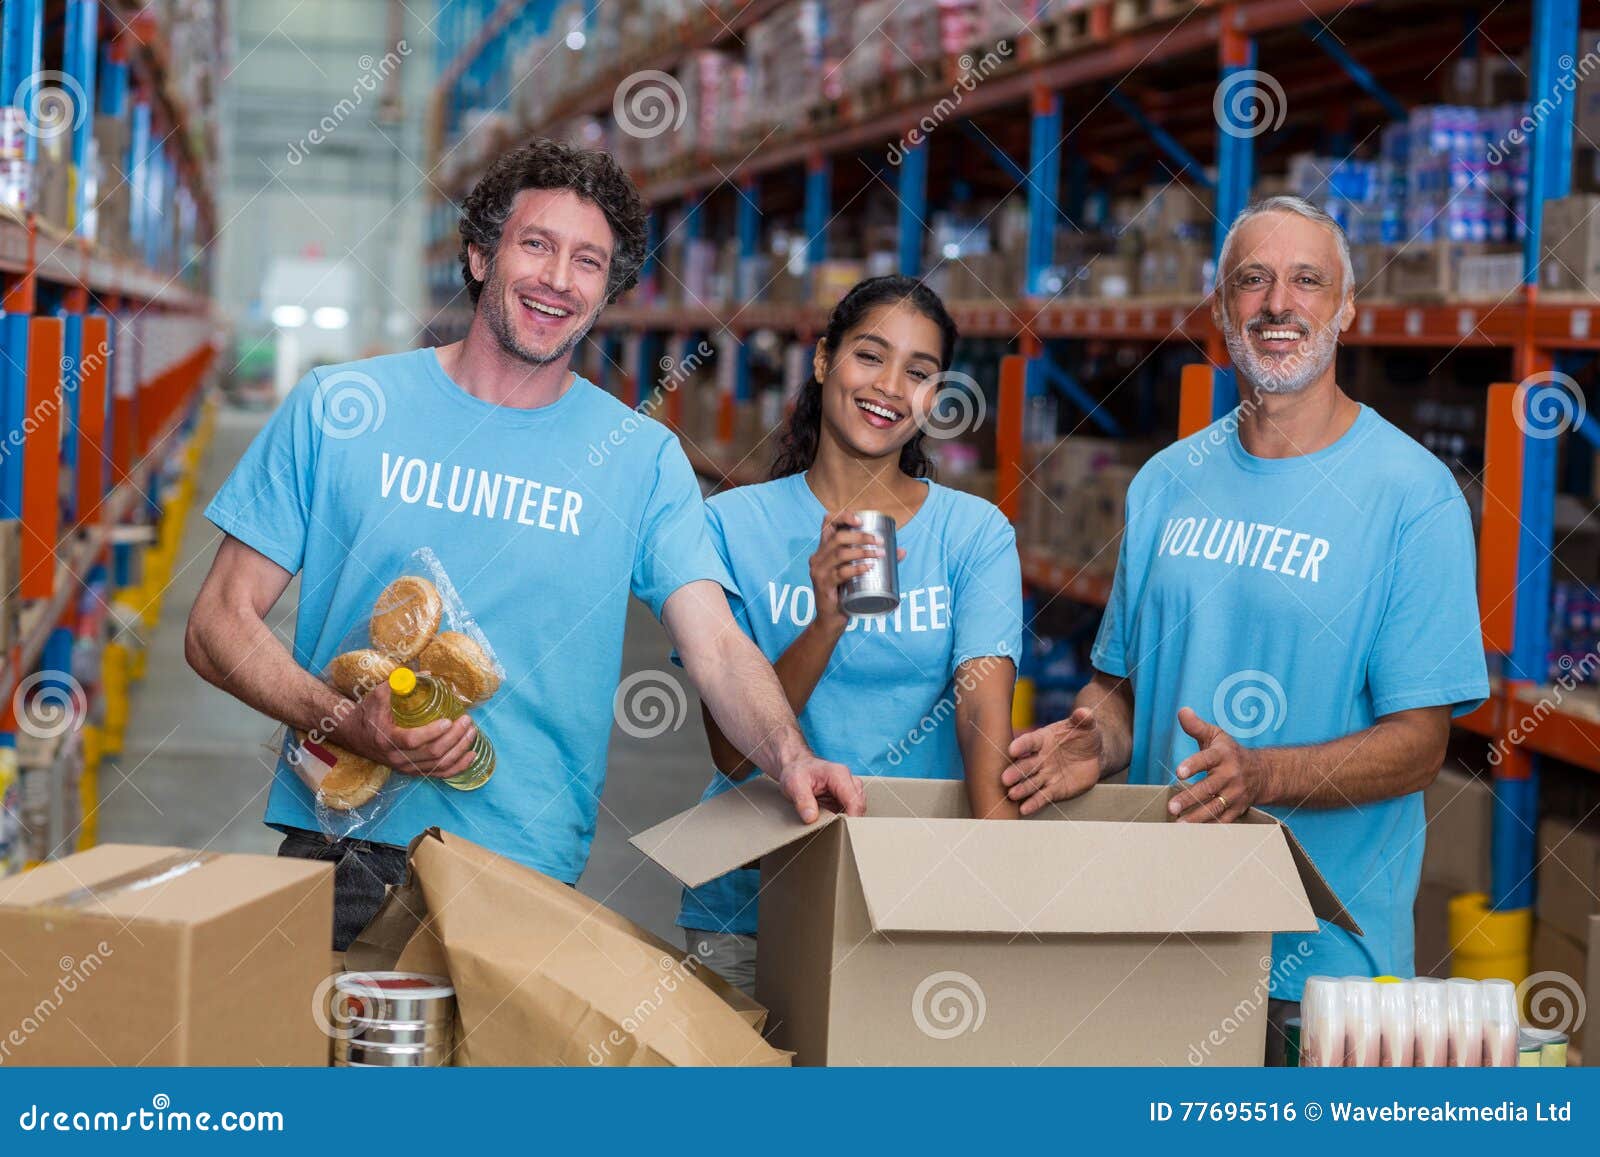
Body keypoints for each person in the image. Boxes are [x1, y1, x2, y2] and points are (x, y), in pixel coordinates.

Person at [185, 139, 862, 950]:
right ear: (479, 254)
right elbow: (216, 624)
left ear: (607, 290)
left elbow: (716, 646)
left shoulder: (640, 459)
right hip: (344, 847)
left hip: (526, 872)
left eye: (588, 261)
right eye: (535, 244)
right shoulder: (342, 407)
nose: (556, 279)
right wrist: (343, 719)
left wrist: (790, 754)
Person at [1000, 196, 1489, 1063]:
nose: (1277, 304)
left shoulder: (1412, 497)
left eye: (1307, 281)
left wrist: (1259, 775)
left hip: (1322, 967)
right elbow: (1122, 682)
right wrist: (1095, 737)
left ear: (1344, 308)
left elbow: (1419, 745)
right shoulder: (1164, 481)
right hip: (1160, 925)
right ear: (1221, 311)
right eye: (1252, 281)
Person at [676, 276, 1024, 995]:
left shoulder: (974, 533)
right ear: (824, 360)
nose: (891, 387)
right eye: (870, 356)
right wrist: (827, 618)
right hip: (752, 903)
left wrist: (1003, 889)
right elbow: (729, 752)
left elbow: (982, 714)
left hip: (914, 895)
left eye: (920, 372)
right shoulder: (730, 525)